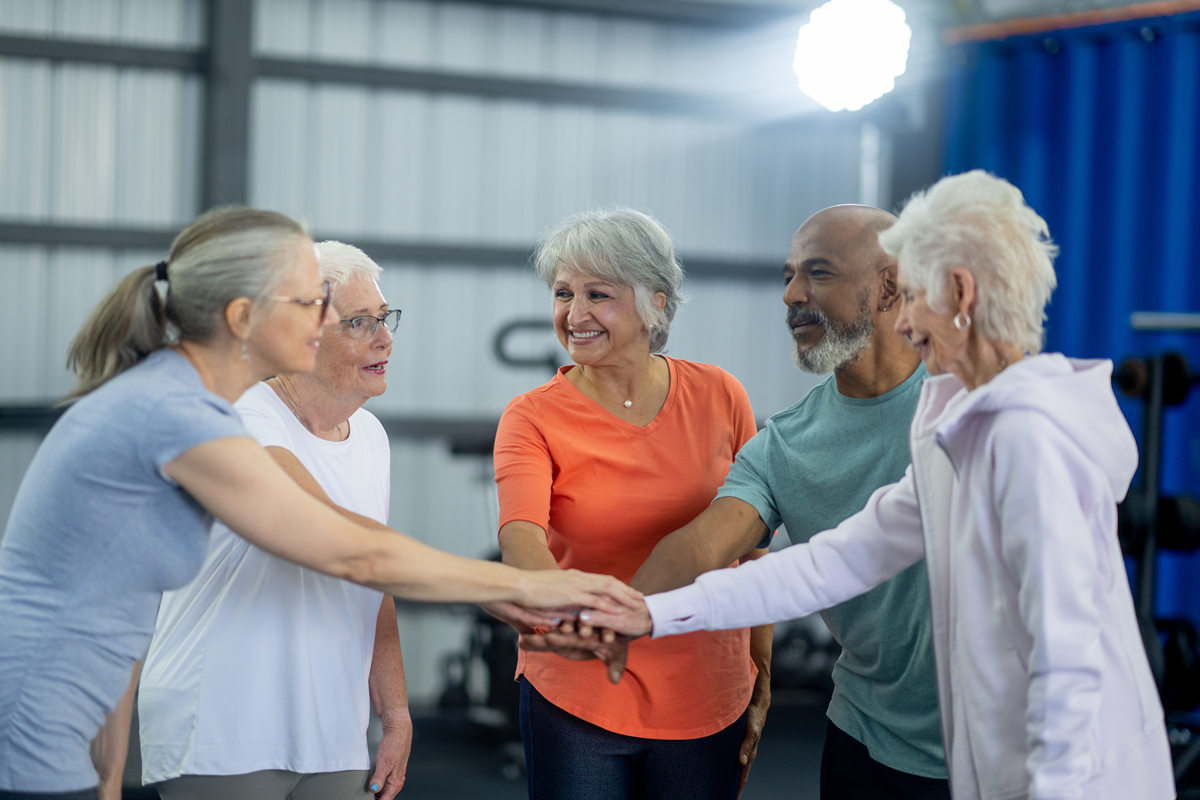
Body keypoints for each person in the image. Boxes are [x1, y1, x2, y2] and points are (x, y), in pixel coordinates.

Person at [0, 207, 640, 800]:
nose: (327, 322)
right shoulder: (180, 416)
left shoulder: (184, 403)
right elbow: (350, 550)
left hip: (60, 735)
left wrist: (109, 778)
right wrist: (532, 587)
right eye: (310, 304)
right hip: (30, 732)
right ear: (243, 318)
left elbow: (120, 612)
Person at [576, 171, 1176, 800]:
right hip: (928, 757)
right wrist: (645, 614)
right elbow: (829, 565)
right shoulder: (956, 428)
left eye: (913, 294)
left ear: (960, 293)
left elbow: (1067, 665)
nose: (907, 319)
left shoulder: (1025, 439)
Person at [528, 204, 949, 799]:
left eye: (818, 274)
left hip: (999, 739)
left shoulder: (970, 404)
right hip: (866, 735)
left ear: (888, 285)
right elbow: (703, 544)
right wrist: (620, 617)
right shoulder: (783, 445)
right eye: (787, 277)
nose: (791, 295)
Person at [492, 208, 769, 800]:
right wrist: (573, 624)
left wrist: (761, 670)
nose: (575, 314)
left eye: (599, 294)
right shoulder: (531, 415)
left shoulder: (721, 395)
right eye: (563, 294)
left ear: (656, 305)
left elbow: (754, 549)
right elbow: (521, 537)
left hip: (708, 689)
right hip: (580, 685)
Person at [138, 241, 411, 800]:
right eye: (359, 323)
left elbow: (373, 579)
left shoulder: (373, 438)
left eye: (384, 319)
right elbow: (343, 542)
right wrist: (507, 588)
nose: (383, 338)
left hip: (332, 728)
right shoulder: (239, 415)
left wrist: (397, 710)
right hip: (222, 726)